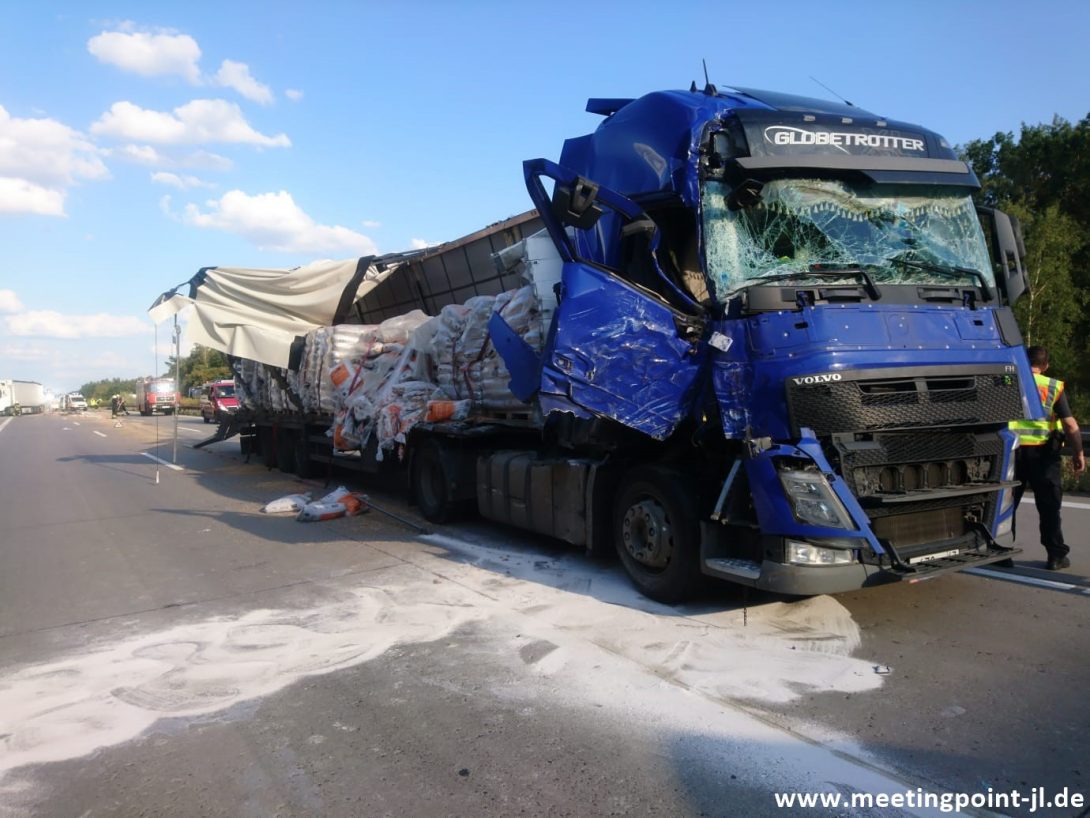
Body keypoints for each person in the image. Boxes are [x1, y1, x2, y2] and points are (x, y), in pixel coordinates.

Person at [1009, 346, 1086, 570]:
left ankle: (1001, 552)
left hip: (1012, 453)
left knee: (1006, 505)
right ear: (1046, 365)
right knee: (1049, 506)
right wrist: (1078, 453)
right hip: (1043, 454)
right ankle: (1055, 555)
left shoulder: (1010, 382)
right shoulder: (1053, 386)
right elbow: (1070, 425)